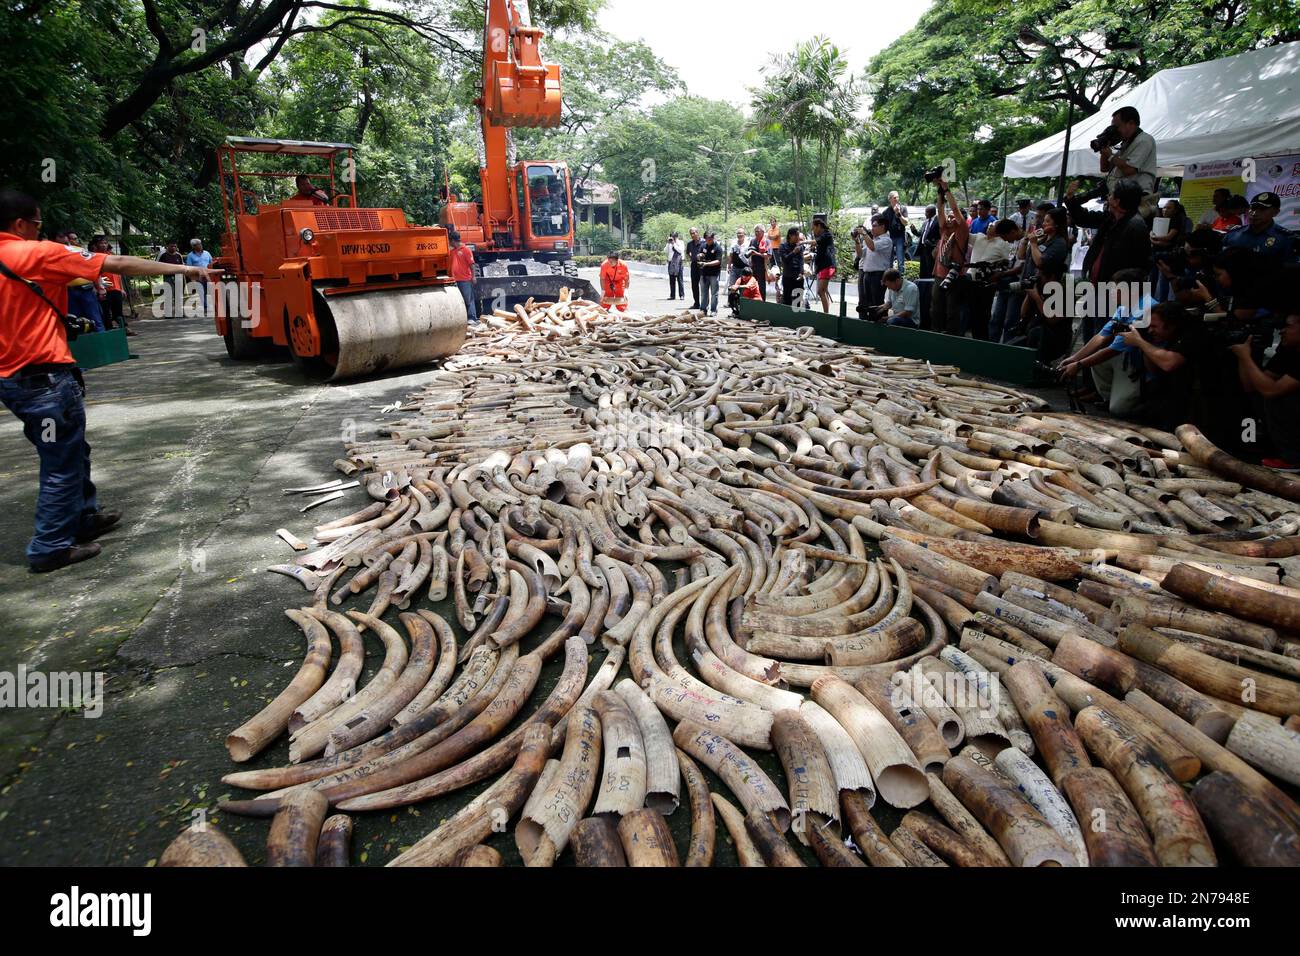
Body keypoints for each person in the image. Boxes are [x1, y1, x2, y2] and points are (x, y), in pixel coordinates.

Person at [0, 189, 213, 571]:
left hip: (12, 380)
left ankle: (82, 517)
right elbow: (116, 263)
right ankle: (49, 547)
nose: (40, 230)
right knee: (60, 461)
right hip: (43, 376)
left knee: (72, 450)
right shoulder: (36, 253)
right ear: (19, 224)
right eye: (37, 224)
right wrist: (184, 269)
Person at [1057, 268, 1156, 417]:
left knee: (1120, 410)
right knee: (1094, 355)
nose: (1110, 292)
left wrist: (1079, 365)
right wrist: (1074, 358)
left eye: (1114, 289)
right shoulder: (1124, 306)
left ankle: (1142, 402)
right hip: (1127, 357)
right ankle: (1110, 396)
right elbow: (1101, 336)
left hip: (1143, 365)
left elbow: (1113, 350)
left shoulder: (1146, 308)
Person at [1232, 307, 1300, 469]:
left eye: (1288, 326)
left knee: (1280, 398)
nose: (1282, 331)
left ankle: (1294, 458)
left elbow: (1271, 391)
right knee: (1257, 397)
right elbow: (1251, 386)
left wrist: (1246, 358)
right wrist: (1244, 356)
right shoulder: (1288, 350)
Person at [1065, 180, 1151, 282]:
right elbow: (1084, 218)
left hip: (1116, 291)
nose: (1108, 198)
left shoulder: (1136, 226)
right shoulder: (1111, 218)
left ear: (1117, 201)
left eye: (1110, 195)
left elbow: (1141, 267)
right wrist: (1070, 198)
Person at [966, 218, 1022, 340]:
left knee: (1004, 319)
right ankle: (985, 342)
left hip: (1002, 284)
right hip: (977, 281)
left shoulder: (1006, 243)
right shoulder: (979, 237)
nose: (989, 227)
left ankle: (999, 345)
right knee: (986, 317)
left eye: (992, 225)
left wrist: (999, 273)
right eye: (989, 225)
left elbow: (1013, 264)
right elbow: (964, 233)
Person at [931, 176, 970, 335]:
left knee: (951, 310)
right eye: (949, 217)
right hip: (939, 274)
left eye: (953, 217)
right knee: (935, 307)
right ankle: (935, 332)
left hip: (954, 276)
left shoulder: (961, 231)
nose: (949, 218)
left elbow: (954, 209)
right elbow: (940, 210)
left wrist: (947, 189)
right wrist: (940, 192)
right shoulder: (944, 230)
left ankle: (951, 336)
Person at [1100, 105, 1158, 206]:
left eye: (1117, 127)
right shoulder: (1126, 143)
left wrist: (1110, 156)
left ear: (1131, 123)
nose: (1114, 131)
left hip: (1137, 199)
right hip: (1121, 197)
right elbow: (1104, 168)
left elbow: (1129, 170)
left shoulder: (1144, 140)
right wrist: (1104, 146)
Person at [1223, 192, 1293, 268]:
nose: (1254, 213)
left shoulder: (1286, 238)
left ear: (1275, 212)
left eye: (1262, 209)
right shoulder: (1233, 235)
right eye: (1253, 208)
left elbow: (1290, 271)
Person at [853, 215, 893, 317]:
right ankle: (871, 324)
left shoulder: (886, 240)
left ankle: (881, 324)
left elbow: (872, 247)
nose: (872, 228)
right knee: (868, 303)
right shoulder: (872, 240)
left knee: (877, 302)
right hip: (867, 274)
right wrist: (857, 240)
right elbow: (860, 254)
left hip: (878, 275)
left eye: (874, 226)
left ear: (882, 226)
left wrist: (864, 233)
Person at [448, 230, 477, 324]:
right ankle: (464, 319)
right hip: (455, 280)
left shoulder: (466, 250)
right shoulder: (452, 252)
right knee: (461, 300)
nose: (449, 243)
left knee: (468, 299)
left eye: (450, 241)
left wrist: (473, 276)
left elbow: (472, 264)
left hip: (465, 279)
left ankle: (472, 317)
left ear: (453, 240)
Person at [810, 218, 835, 314]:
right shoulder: (822, 236)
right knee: (823, 291)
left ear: (819, 226)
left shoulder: (827, 234)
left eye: (814, 228)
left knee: (821, 291)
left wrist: (802, 242)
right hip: (822, 266)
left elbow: (816, 242)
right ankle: (826, 312)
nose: (813, 230)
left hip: (827, 265)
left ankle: (826, 313)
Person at [775, 227, 804, 307]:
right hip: (788, 276)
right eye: (796, 235)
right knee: (787, 300)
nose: (798, 237)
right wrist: (794, 252)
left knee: (797, 301)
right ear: (790, 235)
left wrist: (801, 273)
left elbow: (801, 261)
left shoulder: (799, 247)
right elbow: (785, 260)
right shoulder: (782, 246)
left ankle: (796, 318)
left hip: (798, 277)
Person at [881, 192, 909, 271]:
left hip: (900, 237)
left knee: (900, 261)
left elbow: (906, 222)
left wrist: (899, 214)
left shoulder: (903, 208)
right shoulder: (886, 211)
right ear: (890, 199)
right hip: (890, 237)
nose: (897, 199)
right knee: (889, 260)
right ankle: (889, 279)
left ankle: (901, 278)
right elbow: (883, 226)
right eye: (894, 198)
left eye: (897, 197)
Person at [697, 231, 722, 316]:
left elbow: (718, 261)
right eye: (707, 239)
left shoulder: (718, 248)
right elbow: (699, 255)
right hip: (704, 273)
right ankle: (703, 309)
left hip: (714, 274)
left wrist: (706, 264)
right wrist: (699, 255)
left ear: (713, 238)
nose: (709, 241)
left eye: (710, 239)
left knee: (714, 293)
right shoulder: (703, 246)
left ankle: (713, 310)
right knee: (704, 293)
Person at [186, 239, 213, 315]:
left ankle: (215, 306)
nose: (200, 245)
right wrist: (192, 279)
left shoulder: (207, 253)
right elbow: (189, 268)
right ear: (194, 246)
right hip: (198, 277)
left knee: (212, 291)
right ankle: (205, 308)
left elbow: (212, 263)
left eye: (200, 244)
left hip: (208, 276)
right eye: (198, 244)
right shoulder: (190, 256)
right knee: (202, 293)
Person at [748, 225, 770, 301]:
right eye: (755, 231)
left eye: (758, 231)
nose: (756, 233)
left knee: (761, 287)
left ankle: (762, 303)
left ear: (763, 232)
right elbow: (749, 252)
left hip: (762, 267)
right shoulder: (752, 241)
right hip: (753, 267)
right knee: (752, 286)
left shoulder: (767, 241)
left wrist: (756, 253)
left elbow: (768, 255)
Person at [916, 205, 939, 279]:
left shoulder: (938, 221)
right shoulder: (926, 222)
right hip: (923, 249)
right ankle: (923, 285)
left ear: (931, 212)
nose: (925, 214)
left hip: (931, 249)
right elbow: (920, 233)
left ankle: (930, 284)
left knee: (930, 268)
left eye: (926, 212)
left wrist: (933, 243)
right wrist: (914, 231)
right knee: (923, 269)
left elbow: (940, 235)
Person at [685, 227, 703, 310]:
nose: (692, 235)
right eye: (691, 233)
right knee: (694, 285)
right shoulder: (690, 244)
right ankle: (696, 303)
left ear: (697, 233)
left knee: (703, 285)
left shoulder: (703, 242)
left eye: (694, 233)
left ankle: (704, 303)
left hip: (702, 265)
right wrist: (692, 256)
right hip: (694, 265)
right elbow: (688, 252)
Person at [664, 231, 685, 300]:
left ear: (676, 237)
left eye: (673, 237)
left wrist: (674, 244)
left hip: (678, 263)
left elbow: (680, 250)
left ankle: (681, 295)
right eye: (671, 237)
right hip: (671, 263)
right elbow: (665, 251)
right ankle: (672, 295)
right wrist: (668, 243)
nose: (672, 239)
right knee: (672, 280)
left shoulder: (681, 242)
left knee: (680, 279)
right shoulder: (669, 243)